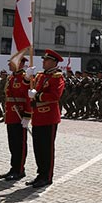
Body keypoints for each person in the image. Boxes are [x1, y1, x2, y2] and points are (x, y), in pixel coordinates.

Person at [24, 50, 66, 188]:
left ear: (54, 62)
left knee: (47, 149)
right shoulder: (41, 76)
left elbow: (55, 96)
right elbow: (30, 87)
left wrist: (36, 96)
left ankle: (47, 177)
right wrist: (27, 77)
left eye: (46, 60)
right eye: (43, 60)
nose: (43, 62)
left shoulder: (57, 77)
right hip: (38, 116)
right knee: (38, 148)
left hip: (49, 117)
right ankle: (40, 174)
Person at [0, 56, 31, 181]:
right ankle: (14, 168)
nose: (9, 65)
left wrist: (27, 115)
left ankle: (20, 170)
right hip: (11, 115)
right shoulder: (11, 77)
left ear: (20, 64)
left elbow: (28, 98)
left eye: (11, 63)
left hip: (19, 115)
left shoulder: (25, 78)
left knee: (19, 144)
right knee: (12, 144)